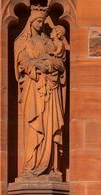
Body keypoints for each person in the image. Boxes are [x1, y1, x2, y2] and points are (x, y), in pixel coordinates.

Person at [14, 4, 67, 177]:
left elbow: (60, 63)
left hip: (51, 90)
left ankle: (51, 166)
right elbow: (22, 61)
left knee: (50, 124)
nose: (40, 24)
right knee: (34, 125)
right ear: (30, 22)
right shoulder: (23, 42)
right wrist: (37, 67)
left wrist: (51, 65)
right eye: (37, 21)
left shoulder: (49, 41)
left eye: (42, 21)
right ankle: (31, 165)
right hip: (34, 88)